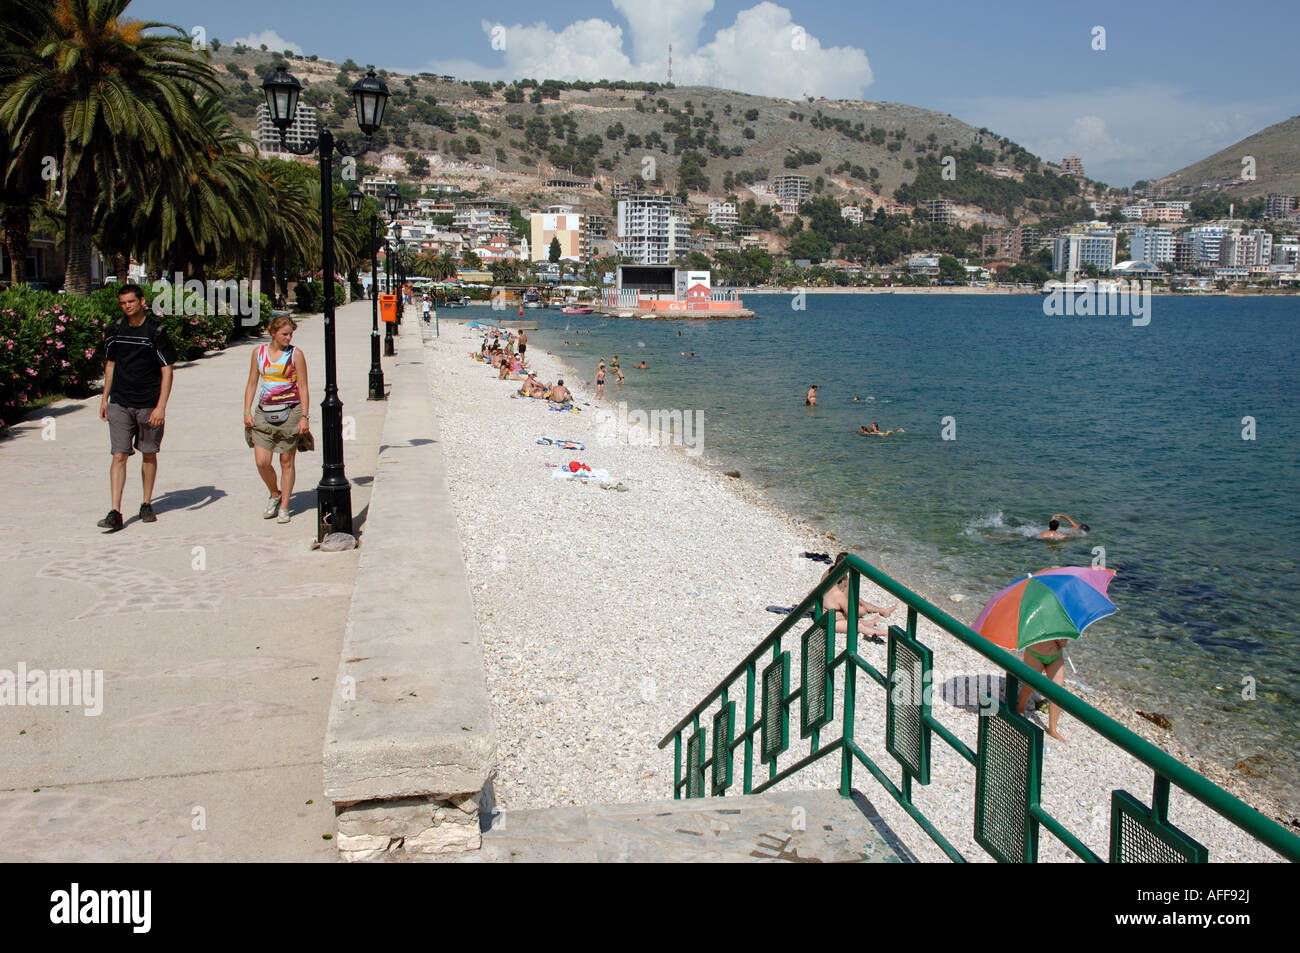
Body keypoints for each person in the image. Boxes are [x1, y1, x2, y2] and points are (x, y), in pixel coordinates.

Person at [97, 283, 177, 531]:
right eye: (122, 303)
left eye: (131, 301)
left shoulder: (156, 332)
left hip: (148, 405)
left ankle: (146, 502)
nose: (127, 306)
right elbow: (110, 365)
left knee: (148, 453)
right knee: (119, 455)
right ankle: (115, 511)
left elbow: (167, 370)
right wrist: (104, 398)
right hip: (120, 402)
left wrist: (161, 407)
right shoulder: (115, 330)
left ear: (142, 301)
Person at [244, 315, 310, 524]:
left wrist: (305, 416)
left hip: (290, 411)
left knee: (286, 461)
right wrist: (247, 410)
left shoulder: (295, 354)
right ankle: (274, 493)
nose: (288, 338)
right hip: (264, 412)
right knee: (262, 461)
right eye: (284, 334)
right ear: (272, 333)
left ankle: (284, 506)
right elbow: (252, 382)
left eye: (291, 333)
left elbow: (303, 386)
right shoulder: (258, 353)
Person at [818, 553, 898, 637]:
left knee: (858, 601)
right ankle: (882, 632)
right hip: (828, 622)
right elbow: (852, 613)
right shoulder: (837, 593)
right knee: (858, 625)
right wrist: (862, 609)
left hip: (834, 613)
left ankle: (880, 613)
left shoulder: (835, 574)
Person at [1017, 639, 1069, 742]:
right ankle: (1020, 709)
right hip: (1034, 653)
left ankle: (1052, 729)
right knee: (1029, 687)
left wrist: (1064, 640)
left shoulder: (1060, 621)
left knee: (1057, 691)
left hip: (1056, 655)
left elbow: (1066, 630)